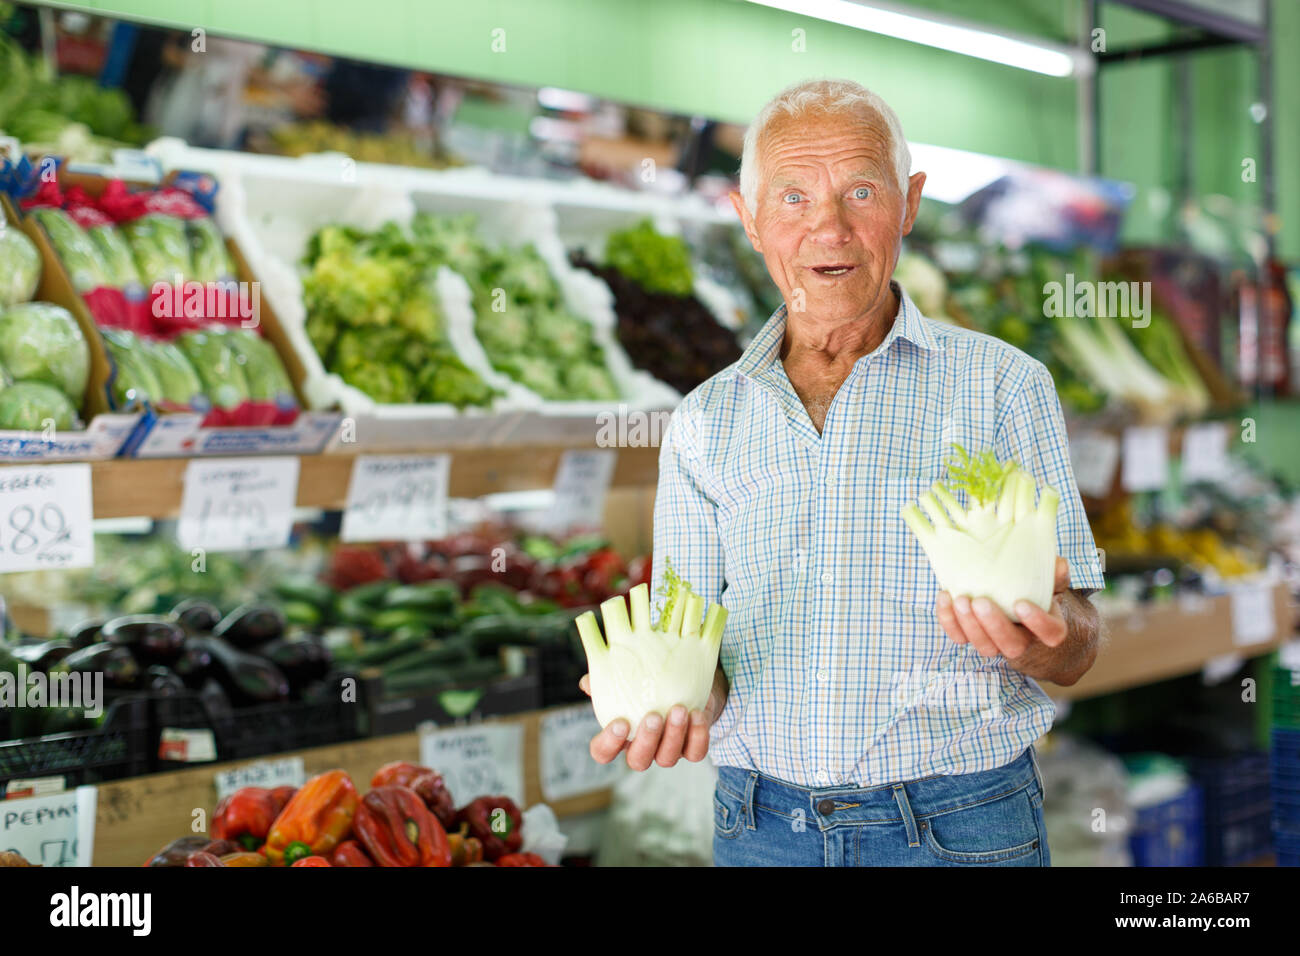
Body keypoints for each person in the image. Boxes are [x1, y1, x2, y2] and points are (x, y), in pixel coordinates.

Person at [582, 78, 1105, 866]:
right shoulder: (702, 422)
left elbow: (1080, 645)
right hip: (761, 830)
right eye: (791, 197)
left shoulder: (1004, 386)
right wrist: (667, 700)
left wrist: (1041, 638)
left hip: (959, 825)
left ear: (910, 203)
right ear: (749, 221)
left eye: (860, 191)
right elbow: (693, 649)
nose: (828, 227)